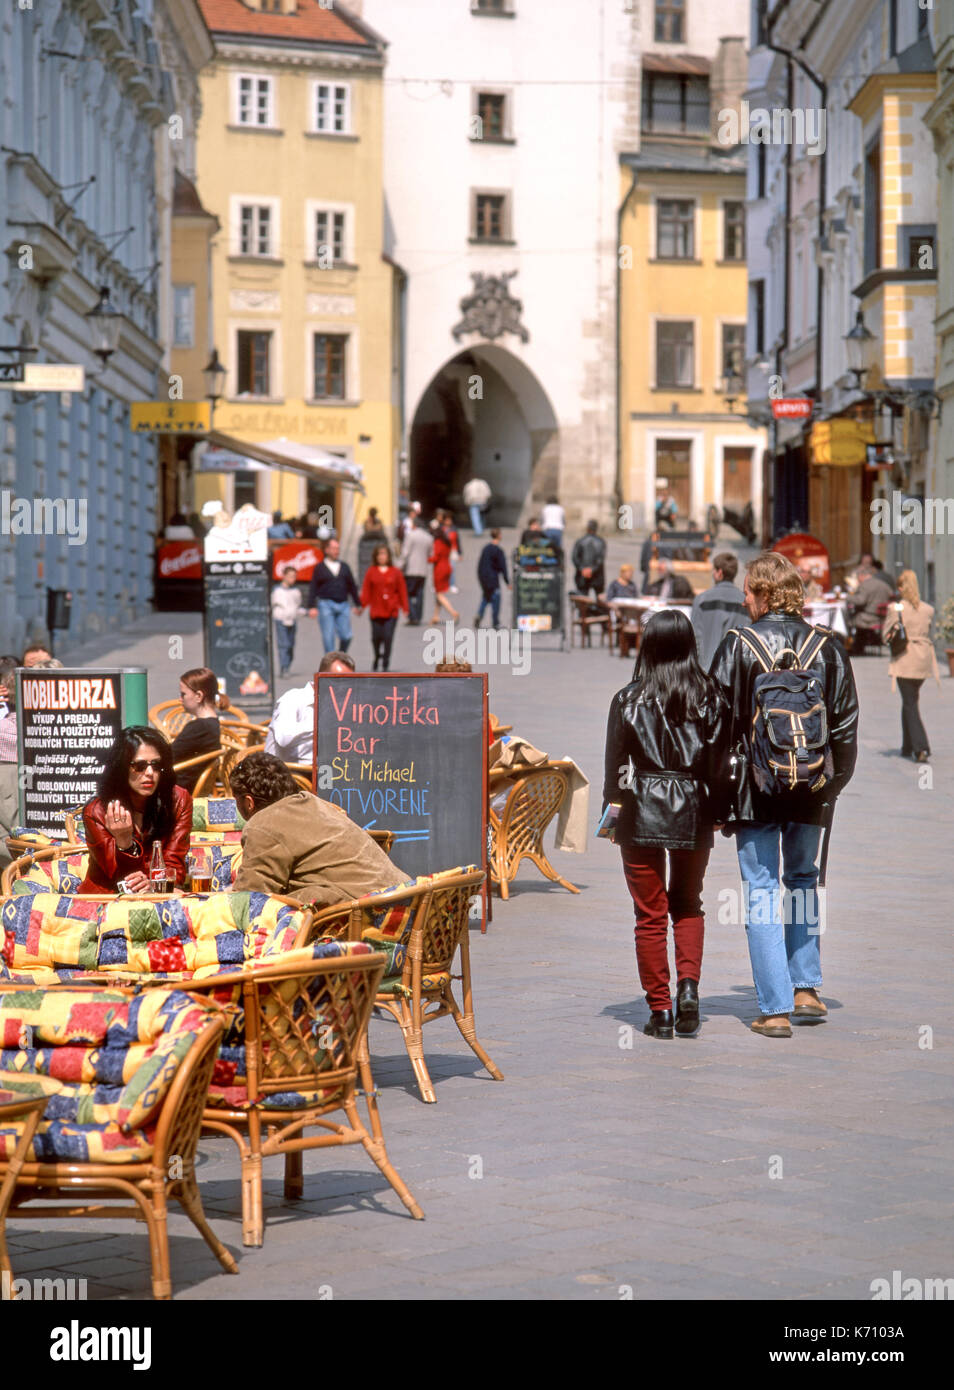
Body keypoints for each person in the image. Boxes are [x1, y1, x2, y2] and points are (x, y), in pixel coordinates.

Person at [710, 552, 859, 1039]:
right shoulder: (828, 647)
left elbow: (716, 724)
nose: (746, 601)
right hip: (812, 787)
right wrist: (830, 787)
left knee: (760, 889)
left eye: (749, 592)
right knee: (802, 879)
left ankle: (773, 1010)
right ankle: (806, 989)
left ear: (764, 593)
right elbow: (846, 725)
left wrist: (716, 797)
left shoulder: (738, 644)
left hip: (755, 790)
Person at [603, 611, 729, 1039]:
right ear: (688, 644)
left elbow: (616, 770)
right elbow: (719, 766)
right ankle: (688, 989)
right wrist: (719, 813)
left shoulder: (627, 699)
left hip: (640, 810)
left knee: (649, 914)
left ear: (649, 645)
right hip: (694, 807)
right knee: (688, 904)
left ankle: (660, 1010)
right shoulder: (711, 697)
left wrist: (612, 816)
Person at [230, 752, 407, 909]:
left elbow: (247, 901)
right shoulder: (316, 804)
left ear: (248, 802)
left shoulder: (262, 824)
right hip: (408, 902)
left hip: (367, 915)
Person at [78, 727, 192, 894]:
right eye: (139, 766)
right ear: (122, 768)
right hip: (107, 899)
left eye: (156, 765)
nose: (149, 773)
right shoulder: (97, 811)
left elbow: (174, 865)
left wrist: (153, 886)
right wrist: (124, 843)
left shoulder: (178, 800)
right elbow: (117, 877)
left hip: (159, 895)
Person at [882, 569, 940, 764]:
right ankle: (907, 745)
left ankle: (920, 747)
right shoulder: (928, 609)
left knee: (910, 703)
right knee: (910, 699)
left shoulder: (895, 608)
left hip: (905, 657)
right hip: (923, 658)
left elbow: (885, 636)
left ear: (901, 588)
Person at [265, 651, 355, 765]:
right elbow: (284, 738)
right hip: (286, 775)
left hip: (323, 774)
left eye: (349, 682)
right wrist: (322, 723)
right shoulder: (293, 698)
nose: (343, 688)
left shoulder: (341, 706)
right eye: (338, 680)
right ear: (320, 678)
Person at [169, 667, 224, 792]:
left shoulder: (198, 728)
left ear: (199, 696)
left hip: (178, 789)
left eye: (183, 694)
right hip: (192, 788)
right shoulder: (212, 724)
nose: (180, 699)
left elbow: (167, 755)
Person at [690, 551, 748, 669]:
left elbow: (694, 638)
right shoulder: (745, 602)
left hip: (705, 670)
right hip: (734, 671)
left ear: (719, 573)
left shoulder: (701, 600)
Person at [306, 537, 361, 654]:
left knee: (346, 635)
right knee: (328, 637)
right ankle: (330, 666)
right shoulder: (320, 568)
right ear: (326, 550)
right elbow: (313, 587)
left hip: (343, 604)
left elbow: (352, 586)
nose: (336, 551)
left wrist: (358, 604)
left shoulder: (344, 566)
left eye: (338, 548)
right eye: (334, 548)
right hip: (326, 604)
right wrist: (312, 606)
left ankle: (340, 655)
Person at [359, 542, 408, 671]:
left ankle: (386, 660)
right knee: (376, 637)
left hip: (391, 611)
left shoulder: (395, 572)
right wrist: (361, 606)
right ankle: (376, 656)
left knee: (388, 637)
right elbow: (366, 591)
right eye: (379, 554)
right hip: (376, 610)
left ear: (388, 556)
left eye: (384, 554)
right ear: (376, 557)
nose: (382, 557)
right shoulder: (371, 571)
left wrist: (405, 608)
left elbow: (402, 590)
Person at [847, 563, 893, 652]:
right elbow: (891, 596)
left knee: (849, 619)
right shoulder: (883, 584)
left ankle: (855, 646)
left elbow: (860, 601)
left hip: (868, 617)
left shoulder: (865, 585)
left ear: (861, 576)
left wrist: (847, 597)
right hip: (882, 618)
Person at [399, 512, 432, 626]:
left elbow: (405, 553)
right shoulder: (428, 537)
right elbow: (430, 554)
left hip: (411, 569)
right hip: (422, 570)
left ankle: (412, 616)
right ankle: (418, 615)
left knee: (407, 593)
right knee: (419, 594)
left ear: (414, 525)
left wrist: (400, 566)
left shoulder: (410, 535)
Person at [603, 564, 640, 658]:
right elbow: (609, 599)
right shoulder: (615, 584)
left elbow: (637, 598)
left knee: (635, 620)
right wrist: (615, 608)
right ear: (622, 573)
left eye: (631, 573)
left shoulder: (632, 585)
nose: (630, 575)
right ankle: (625, 644)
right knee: (622, 618)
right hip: (618, 610)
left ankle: (632, 644)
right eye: (628, 573)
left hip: (631, 610)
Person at [271, 564, 303, 677]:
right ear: (284, 576)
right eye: (290, 576)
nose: (292, 579)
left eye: (294, 576)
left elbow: (298, 604)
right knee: (283, 644)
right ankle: (284, 667)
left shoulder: (296, 591)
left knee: (290, 645)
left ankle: (287, 664)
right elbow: (273, 603)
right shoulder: (277, 590)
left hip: (292, 619)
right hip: (280, 619)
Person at [475, 529, 510, 629]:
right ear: (499, 535)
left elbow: (480, 564)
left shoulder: (485, 548)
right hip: (493, 578)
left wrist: (481, 578)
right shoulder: (498, 551)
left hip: (484, 578)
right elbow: (503, 567)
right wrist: (507, 581)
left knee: (486, 597)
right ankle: (495, 622)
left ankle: (480, 614)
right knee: (496, 600)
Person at [429, 517, 460, 624]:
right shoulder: (446, 542)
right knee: (439, 593)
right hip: (447, 566)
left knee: (439, 594)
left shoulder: (438, 542)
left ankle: (453, 612)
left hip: (440, 569)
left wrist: (427, 559)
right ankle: (435, 616)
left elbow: (436, 557)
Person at [572, 521, 607, 598]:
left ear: (587, 528)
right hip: (597, 575)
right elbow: (600, 559)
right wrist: (592, 570)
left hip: (583, 575)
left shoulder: (580, 541)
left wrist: (583, 569)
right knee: (599, 600)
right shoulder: (601, 542)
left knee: (583, 599)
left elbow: (575, 557)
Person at [442, 510, 462, 593]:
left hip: (453, 551)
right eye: (447, 520)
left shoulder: (454, 529)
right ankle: (443, 584)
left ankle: (452, 584)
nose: (448, 522)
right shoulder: (441, 529)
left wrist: (460, 553)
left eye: (450, 520)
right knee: (443, 569)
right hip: (443, 551)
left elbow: (458, 541)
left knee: (452, 568)